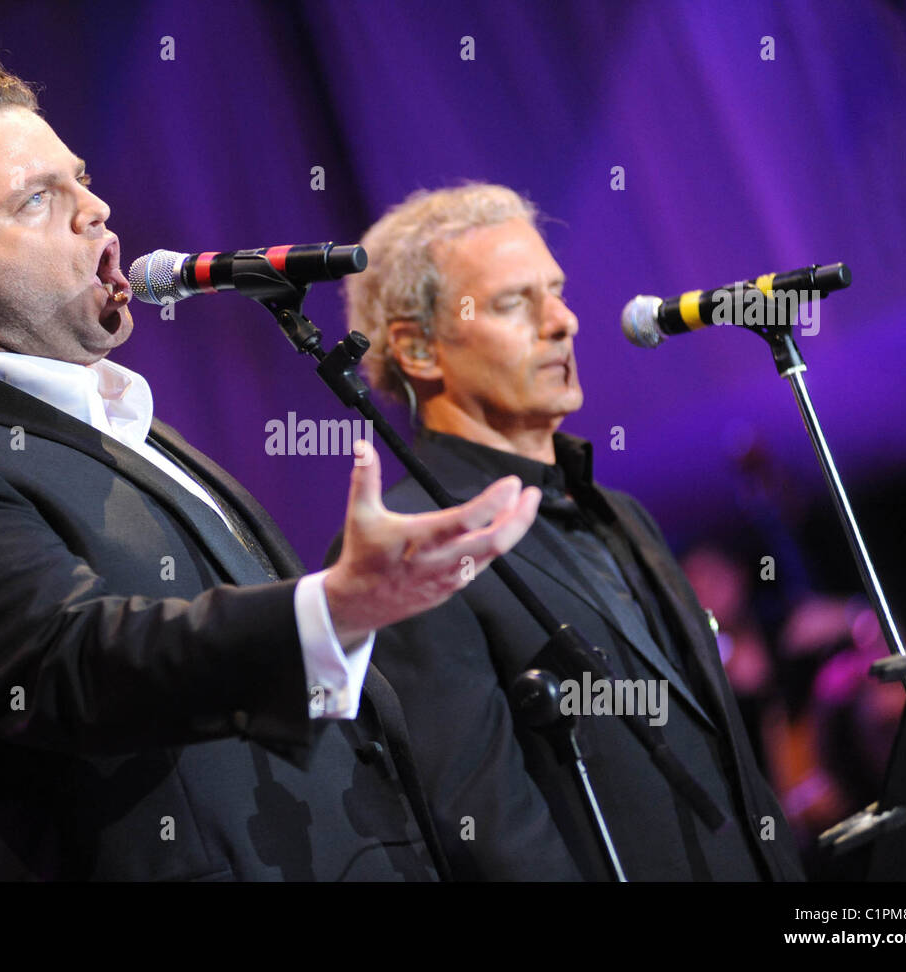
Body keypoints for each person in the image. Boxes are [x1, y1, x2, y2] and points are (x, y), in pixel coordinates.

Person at [0, 59, 540, 881]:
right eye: (38, 198)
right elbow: (75, 663)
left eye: (81, 179)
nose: (98, 210)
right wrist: (331, 607)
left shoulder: (129, 422)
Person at [340, 183, 804, 880]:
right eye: (513, 303)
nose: (563, 321)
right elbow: (486, 830)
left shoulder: (619, 512)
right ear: (419, 350)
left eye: (554, 291)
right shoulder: (416, 543)